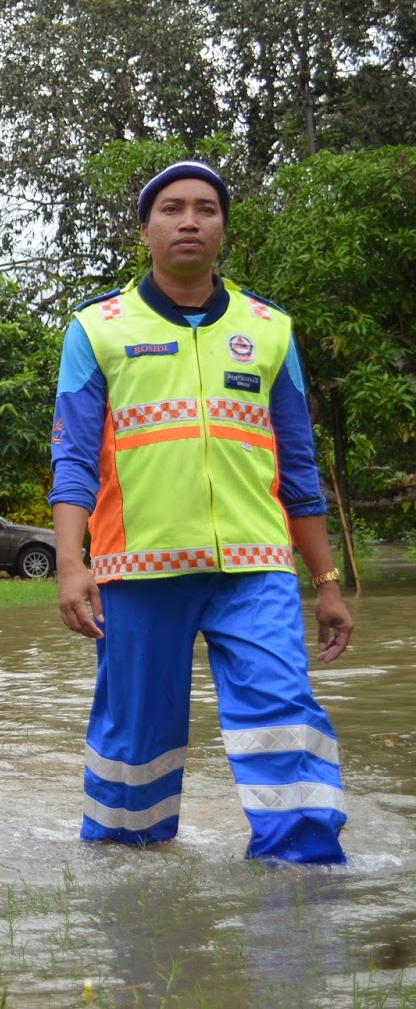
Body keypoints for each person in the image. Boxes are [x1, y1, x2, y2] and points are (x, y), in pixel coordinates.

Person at [49, 160, 355, 865]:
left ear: (224, 228)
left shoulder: (271, 329)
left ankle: (303, 873)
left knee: (283, 712)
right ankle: (130, 871)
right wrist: (72, 564)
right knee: (137, 737)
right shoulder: (97, 328)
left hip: (255, 568)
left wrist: (328, 581)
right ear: (145, 229)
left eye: (207, 208)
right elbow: (71, 459)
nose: (190, 220)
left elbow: (299, 470)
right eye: (173, 208)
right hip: (136, 568)